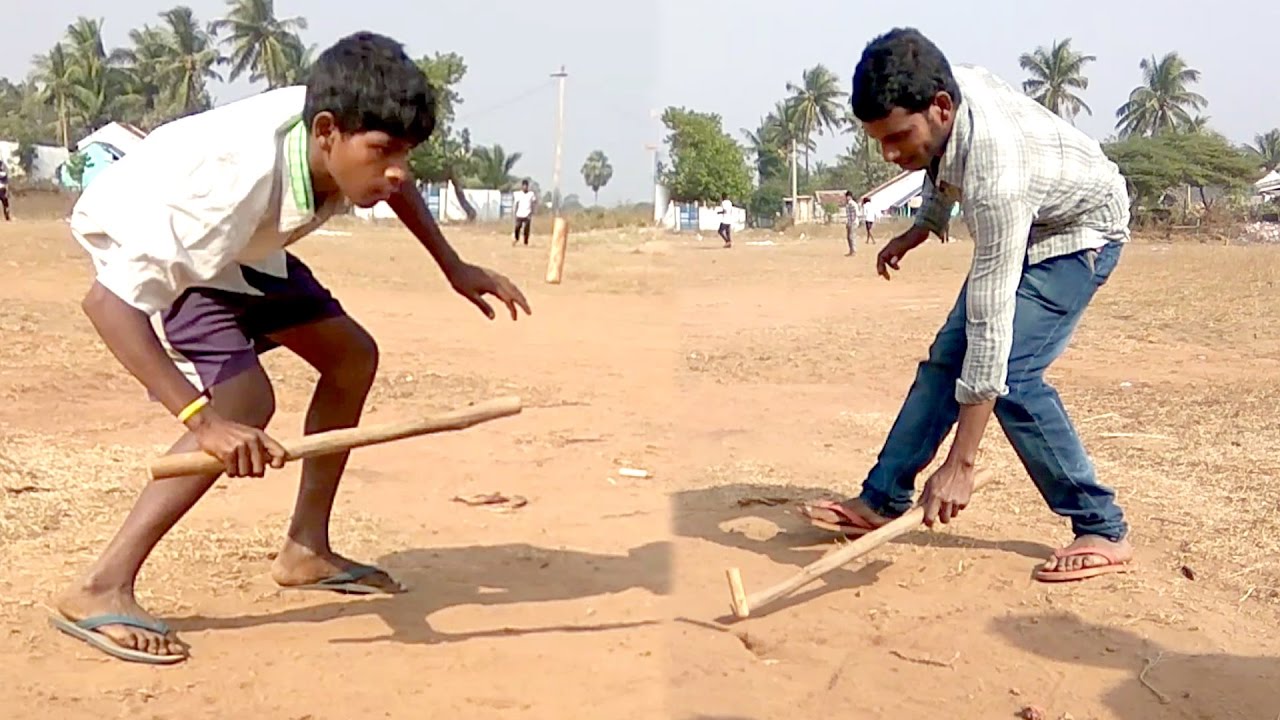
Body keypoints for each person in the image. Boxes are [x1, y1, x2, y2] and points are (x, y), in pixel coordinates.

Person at [51, 31, 531, 665]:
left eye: (406, 153)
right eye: (384, 151)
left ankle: (306, 549)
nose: (397, 170)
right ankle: (99, 585)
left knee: (351, 356)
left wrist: (452, 264)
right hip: (170, 242)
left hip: (248, 248)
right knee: (245, 404)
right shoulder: (219, 190)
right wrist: (203, 423)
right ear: (327, 131)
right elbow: (107, 305)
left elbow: (394, 176)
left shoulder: (348, 142)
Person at [800, 27, 1133, 583]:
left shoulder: (996, 176)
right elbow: (939, 164)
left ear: (941, 107)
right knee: (943, 362)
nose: (890, 153)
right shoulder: (948, 104)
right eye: (878, 140)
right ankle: (882, 498)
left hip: (1081, 230)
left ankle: (1102, 525)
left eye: (898, 136)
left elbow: (991, 322)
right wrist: (924, 226)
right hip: (1033, 216)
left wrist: (961, 464)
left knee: (1015, 375)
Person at [511, 179, 537, 246]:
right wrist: (515, 212)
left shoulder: (531, 194)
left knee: (526, 229)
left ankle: (525, 241)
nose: (525, 187)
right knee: (517, 227)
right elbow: (516, 204)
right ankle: (516, 238)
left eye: (526, 186)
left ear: (528, 186)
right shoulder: (518, 194)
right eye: (524, 186)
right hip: (519, 214)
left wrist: (532, 212)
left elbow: (534, 203)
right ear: (522, 186)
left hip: (527, 214)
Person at [843, 190, 859, 255]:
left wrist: (852, 222)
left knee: (852, 236)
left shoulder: (852, 204)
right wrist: (848, 222)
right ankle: (851, 250)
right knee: (849, 237)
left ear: (849, 197)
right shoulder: (848, 204)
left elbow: (856, 213)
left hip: (853, 222)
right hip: (850, 222)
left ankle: (854, 251)